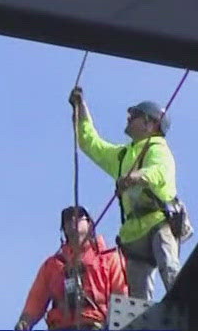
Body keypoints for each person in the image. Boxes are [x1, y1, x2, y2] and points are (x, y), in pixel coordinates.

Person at [70, 87, 182, 299]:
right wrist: (80, 108)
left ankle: (183, 305)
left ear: (151, 123)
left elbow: (158, 172)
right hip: (134, 232)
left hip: (159, 221)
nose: (129, 118)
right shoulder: (123, 156)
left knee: (169, 268)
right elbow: (90, 143)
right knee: (138, 295)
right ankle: (144, 327)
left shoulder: (158, 148)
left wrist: (134, 177)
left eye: (135, 116)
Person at [16, 205, 127, 331]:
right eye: (67, 218)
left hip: (95, 329)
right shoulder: (52, 265)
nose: (73, 219)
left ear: (90, 224)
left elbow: (121, 296)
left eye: (79, 215)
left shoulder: (109, 259)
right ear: (63, 229)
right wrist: (24, 322)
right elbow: (36, 300)